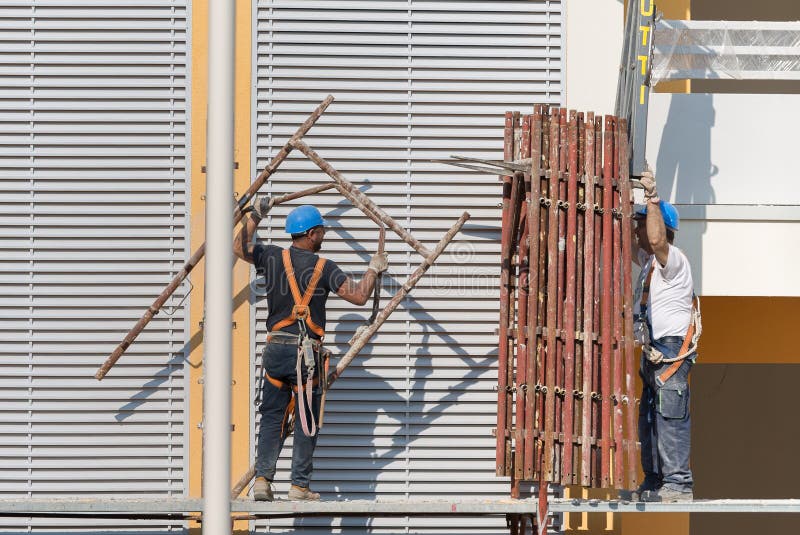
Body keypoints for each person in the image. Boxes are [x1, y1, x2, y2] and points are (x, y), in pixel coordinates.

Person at [234, 198, 389, 501]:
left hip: (276, 350)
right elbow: (358, 296)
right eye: (321, 231)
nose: (324, 235)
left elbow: (238, 247)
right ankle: (298, 485)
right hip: (306, 355)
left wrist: (255, 215)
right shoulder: (325, 267)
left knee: (271, 418)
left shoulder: (272, 257)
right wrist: (372, 269)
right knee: (307, 418)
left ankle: (263, 481)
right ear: (311, 233)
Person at [630, 170, 699, 503]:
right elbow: (632, 245)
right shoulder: (649, 266)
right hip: (651, 351)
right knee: (649, 419)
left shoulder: (672, 260)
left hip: (670, 350)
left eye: (640, 224)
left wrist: (652, 198)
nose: (638, 229)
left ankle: (678, 483)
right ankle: (656, 480)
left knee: (670, 416)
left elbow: (656, 240)